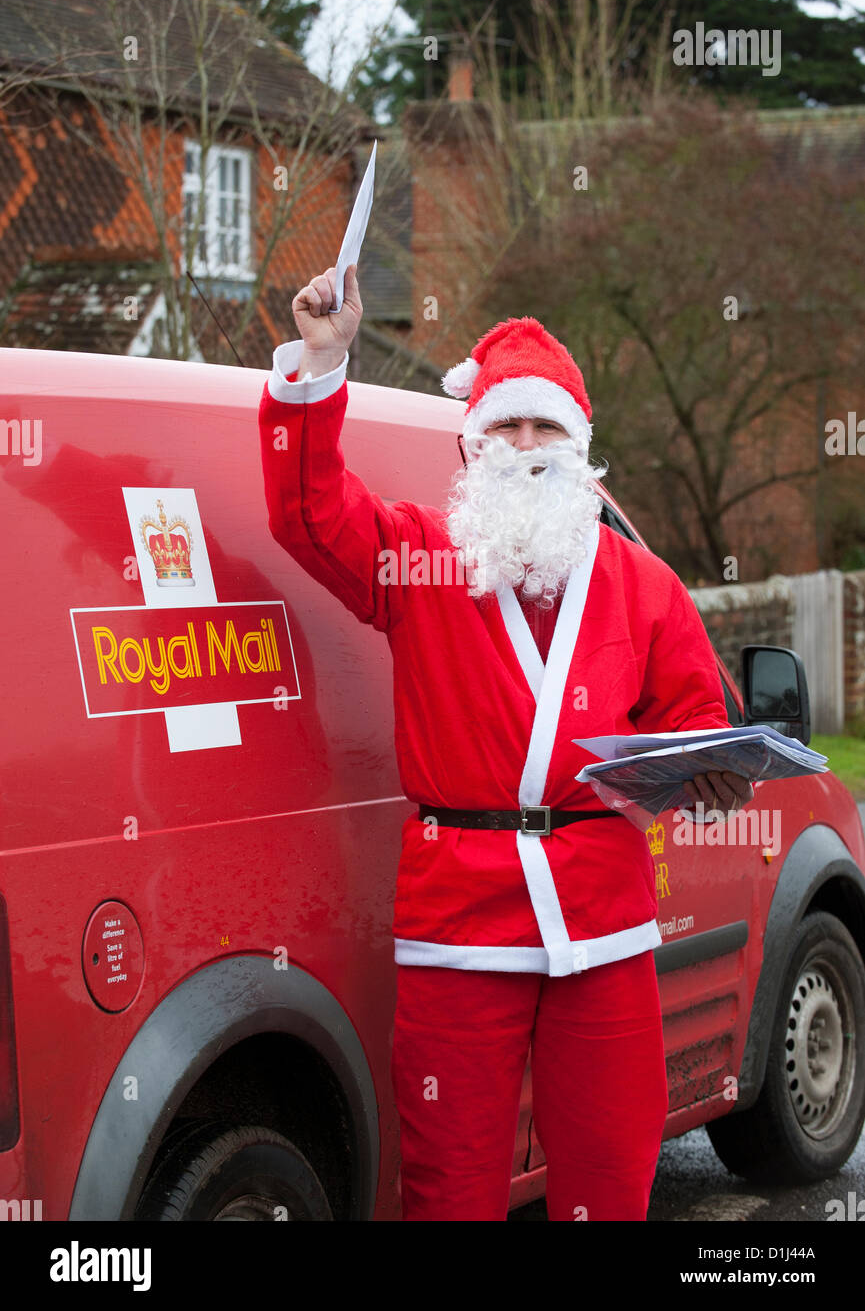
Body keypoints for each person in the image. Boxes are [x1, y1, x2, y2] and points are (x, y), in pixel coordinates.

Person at [258, 262, 753, 1222]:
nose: (525, 446)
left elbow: (693, 717)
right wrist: (321, 366)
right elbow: (311, 517)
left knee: (610, 1177)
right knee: (450, 1182)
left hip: (600, 920)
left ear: (581, 446)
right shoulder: (418, 556)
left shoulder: (642, 583)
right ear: (470, 442)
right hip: (458, 919)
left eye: (546, 428)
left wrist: (709, 770)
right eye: (504, 427)